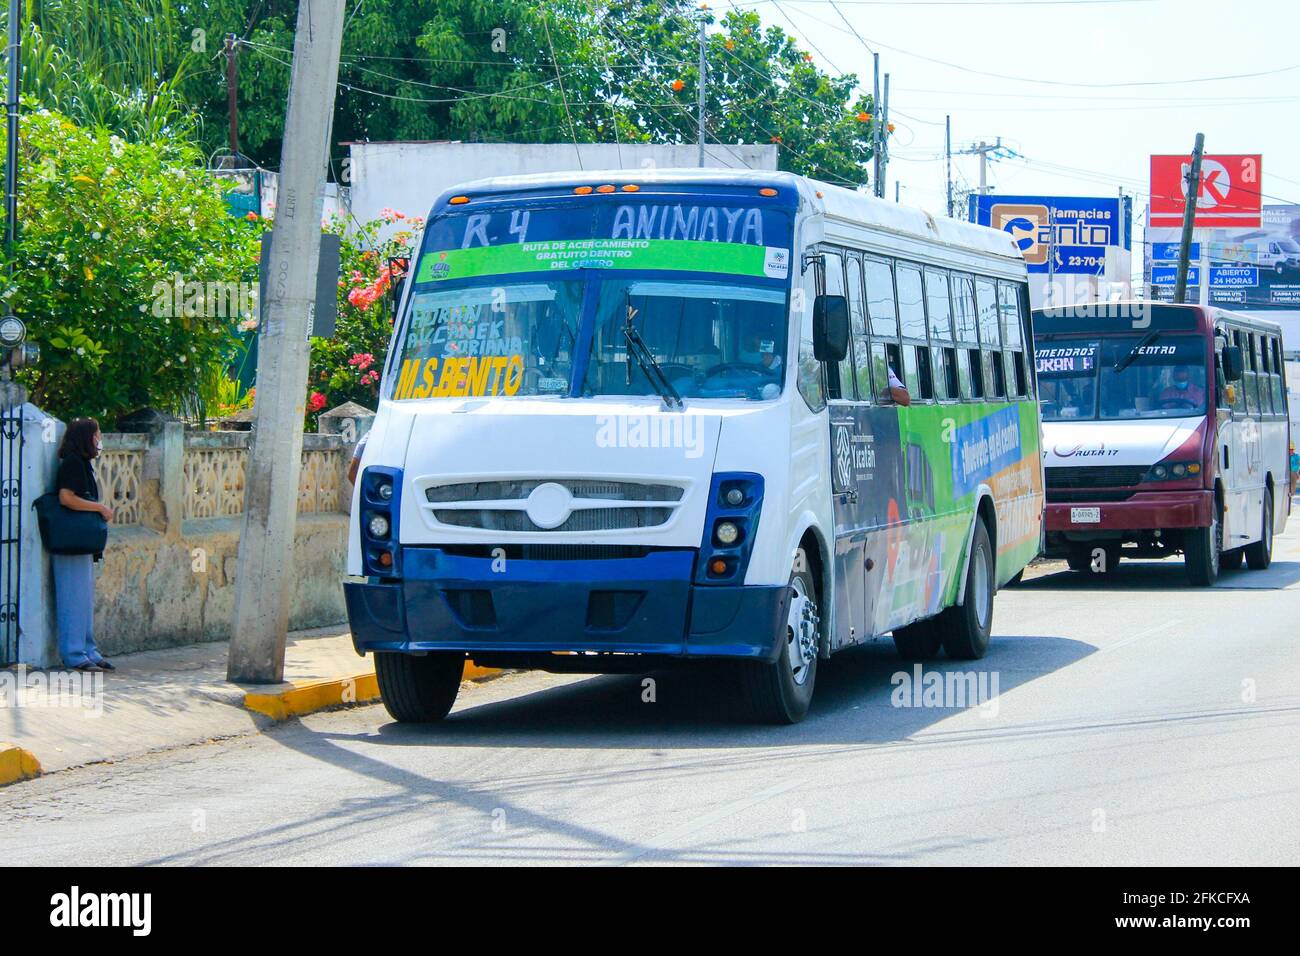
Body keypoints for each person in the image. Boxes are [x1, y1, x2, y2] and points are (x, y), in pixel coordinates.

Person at [53, 418, 114, 672]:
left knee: (84, 600)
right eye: (96, 434)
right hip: (71, 542)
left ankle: (89, 650)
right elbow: (66, 498)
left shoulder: (83, 464)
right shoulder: (73, 463)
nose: (99, 439)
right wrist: (98, 508)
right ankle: (74, 654)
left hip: (81, 542)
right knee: (73, 599)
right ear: (86, 437)